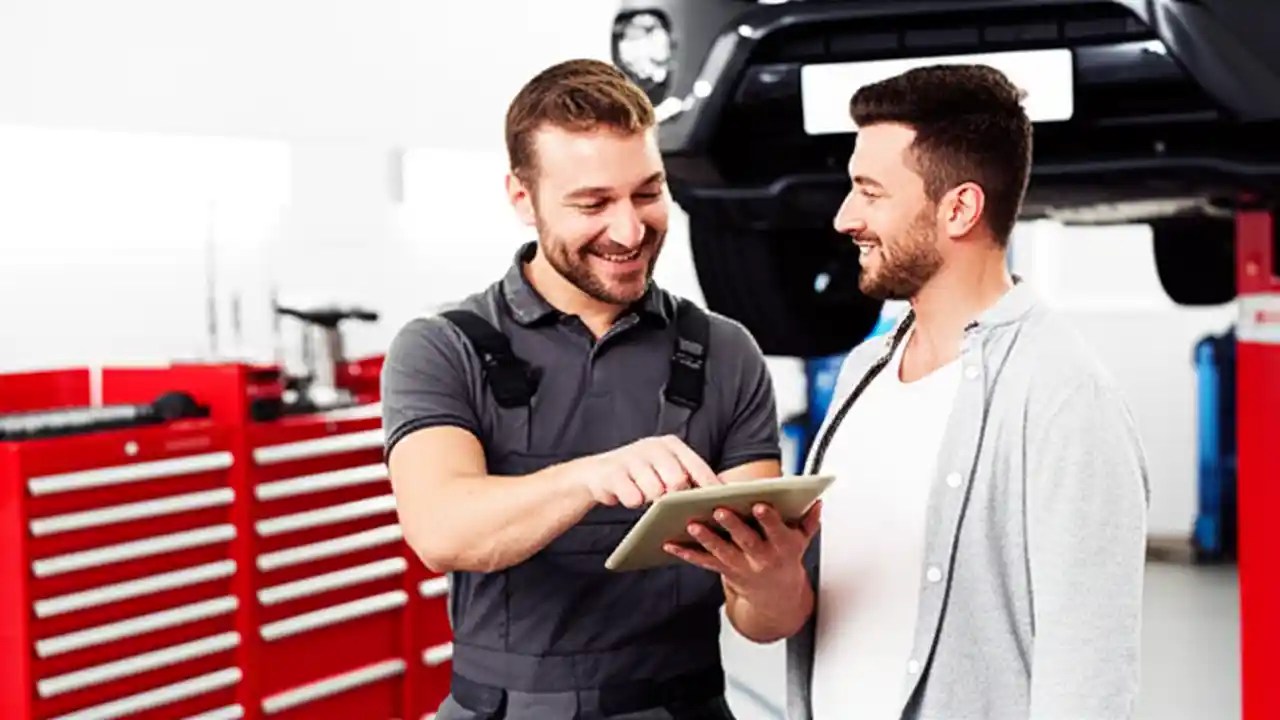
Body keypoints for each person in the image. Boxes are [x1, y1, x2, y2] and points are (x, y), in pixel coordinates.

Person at [382, 58, 820, 720]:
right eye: (592, 204)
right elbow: (443, 530)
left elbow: (767, 622)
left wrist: (772, 576)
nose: (630, 230)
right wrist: (591, 477)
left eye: (648, 193)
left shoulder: (726, 352)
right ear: (521, 198)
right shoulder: (443, 347)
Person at [781, 65, 1151, 720]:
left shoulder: (1062, 396)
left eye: (870, 193)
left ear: (959, 209)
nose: (845, 219)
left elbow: (1087, 675)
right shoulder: (863, 372)